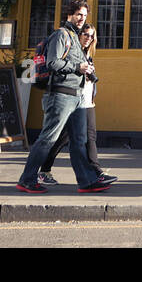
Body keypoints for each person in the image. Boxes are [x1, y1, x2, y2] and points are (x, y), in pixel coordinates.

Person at [16, 0, 115, 194]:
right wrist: (77, 67)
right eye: (79, 14)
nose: (81, 18)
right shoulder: (62, 35)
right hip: (60, 96)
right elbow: (53, 62)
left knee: (79, 140)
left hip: (76, 97)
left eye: (84, 15)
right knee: (48, 139)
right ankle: (27, 179)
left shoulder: (75, 38)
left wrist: (84, 69)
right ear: (69, 14)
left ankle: (86, 181)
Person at [38, 23, 111, 184]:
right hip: (71, 99)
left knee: (90, 136)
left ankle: (96, 171)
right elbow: (56, 65)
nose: (89, 38)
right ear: (79, 35)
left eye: (92, 36)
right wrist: (79, 69)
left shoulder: (87, 55)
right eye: (85, 34)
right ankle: (43, 170)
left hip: (86, 101)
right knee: (60, 138)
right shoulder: (73, 53)